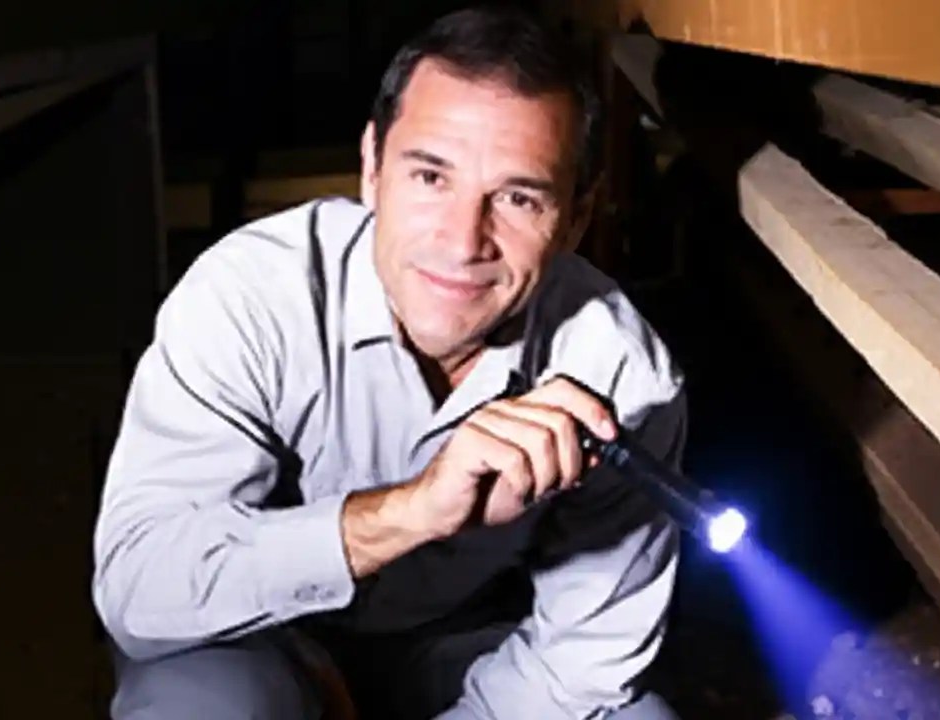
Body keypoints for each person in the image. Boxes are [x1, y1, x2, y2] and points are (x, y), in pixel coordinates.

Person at [92, 5, 687, 719]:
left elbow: (586, 660)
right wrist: (412, 513)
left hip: (461, 646)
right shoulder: (252, 295)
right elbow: (140, 592)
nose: (465, 241)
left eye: (518, 197)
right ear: (372, 169)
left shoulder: (622, 375)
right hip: (261, 641)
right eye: (431, 177)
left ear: (577, 219)